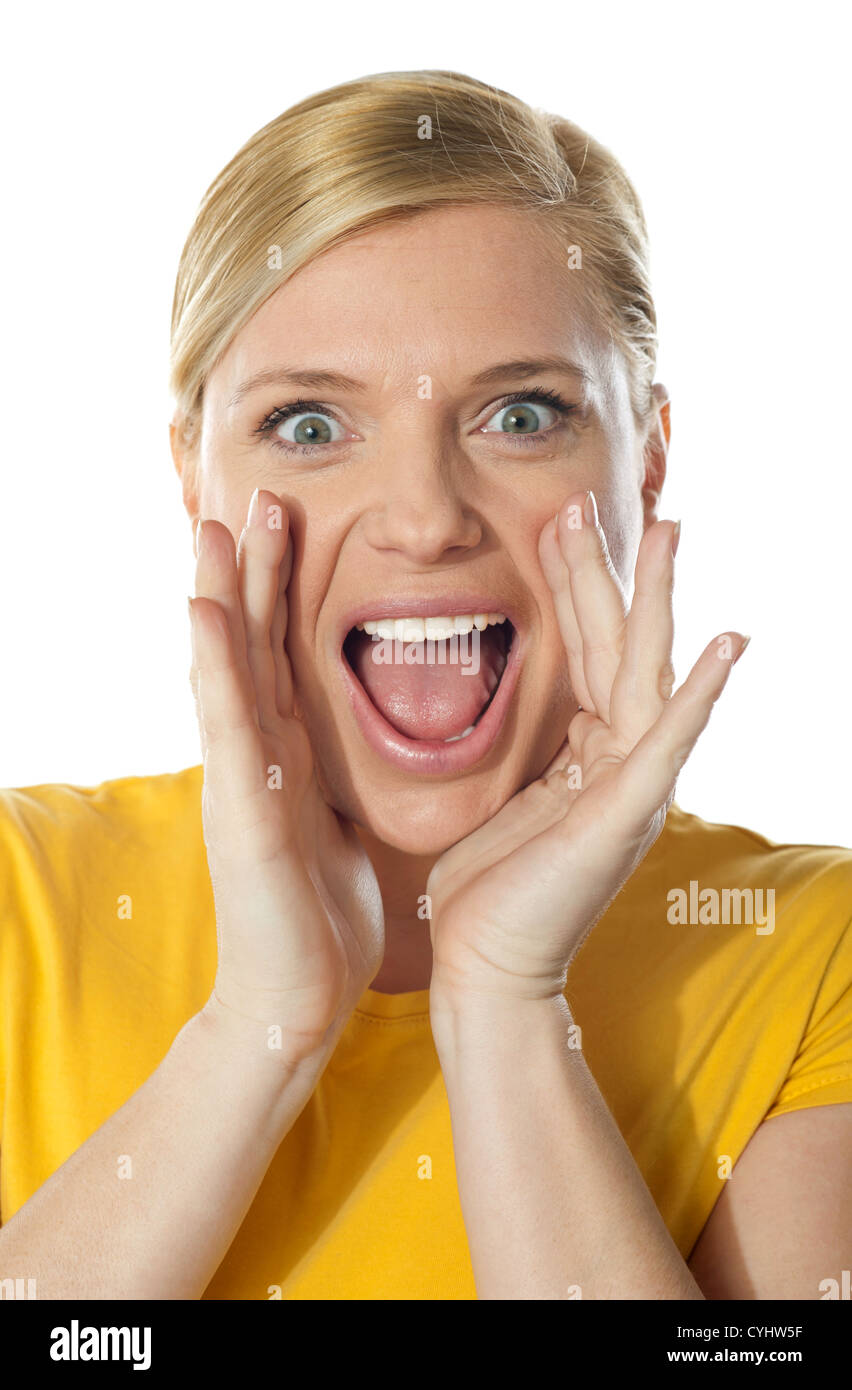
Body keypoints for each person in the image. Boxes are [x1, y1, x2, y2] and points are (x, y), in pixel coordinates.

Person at [0, 69, 849, 1302]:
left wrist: (508, 1006)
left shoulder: (806, 960)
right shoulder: (22, 903)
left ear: (649, 460)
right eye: (307, 425)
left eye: (520, 414)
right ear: (194, 481)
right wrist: (258, 1032)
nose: (424, 517)